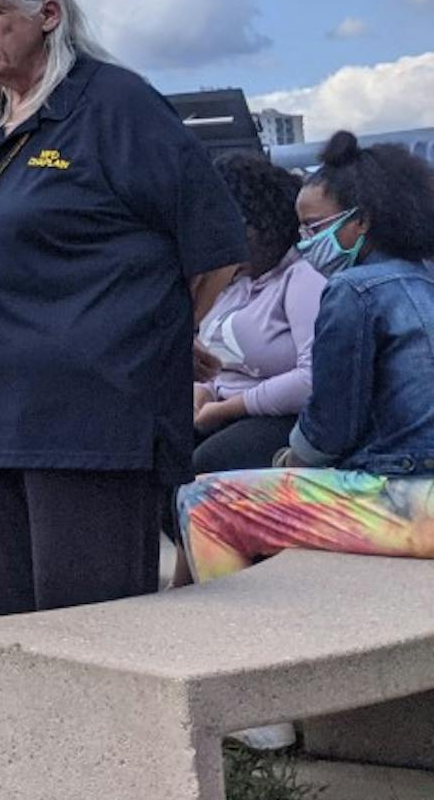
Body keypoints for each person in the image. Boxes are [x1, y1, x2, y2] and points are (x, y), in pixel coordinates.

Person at [0, 0, 242, 621]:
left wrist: (171, 329)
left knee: (92, 622)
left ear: (48, 13)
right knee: (19, 623)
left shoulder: (111, 103)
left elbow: (216, 240)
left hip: (87, 414)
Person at [179, 134, 434, 579]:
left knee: (201, 500)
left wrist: (288, 463)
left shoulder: (352, 291)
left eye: (315, 228)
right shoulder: (423, 282)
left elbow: (329, 428)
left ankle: (231, 640)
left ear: (363, 222)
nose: (305, 241)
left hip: (404, 498)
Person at [188, 154, 322, 476]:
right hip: (221, 407)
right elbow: (223, 364)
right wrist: (206, 389)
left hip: (282, 417)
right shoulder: (232, 283)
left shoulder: (300, 279)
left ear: (265, 222)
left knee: (206, 462)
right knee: (154, 450)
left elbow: (313, 377)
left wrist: (227, 408)